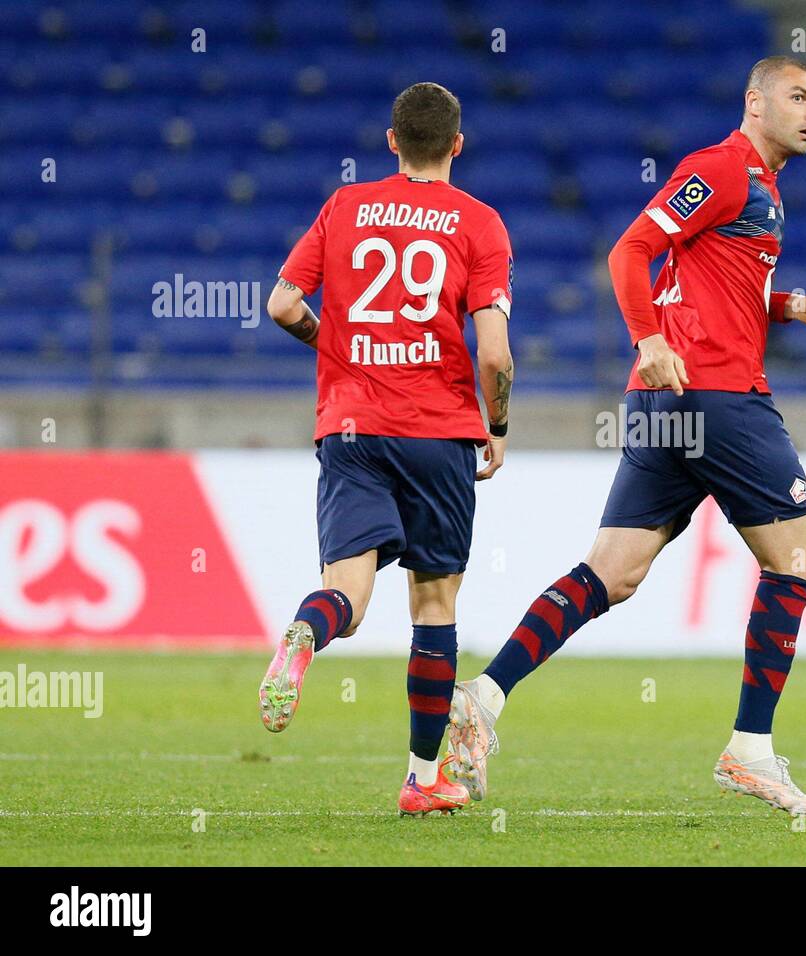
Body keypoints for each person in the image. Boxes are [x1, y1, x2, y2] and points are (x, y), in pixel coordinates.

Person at [446, 56, 806, 816]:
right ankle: (750, 751)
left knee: (612, 573)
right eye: (797, 96)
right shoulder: (724, 169)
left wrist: (794, 305)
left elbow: (714, 287)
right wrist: (647, 338)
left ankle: (483, 694)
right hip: (719, 396)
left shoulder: (760, 193)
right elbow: (630, 250)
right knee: (796, 561)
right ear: (754, 102)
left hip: (664, 404)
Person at [257, 82, 515, 817]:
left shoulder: (345, 207)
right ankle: (421, 777)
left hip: (350, 427)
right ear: (457, 146)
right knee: (433, 605)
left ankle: (308, 631)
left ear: (391, 141)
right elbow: (493, 352)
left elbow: (280, 302)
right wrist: (495, 426)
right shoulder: (480, 224)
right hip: (437, 432)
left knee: (350, 589)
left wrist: (329, 343)